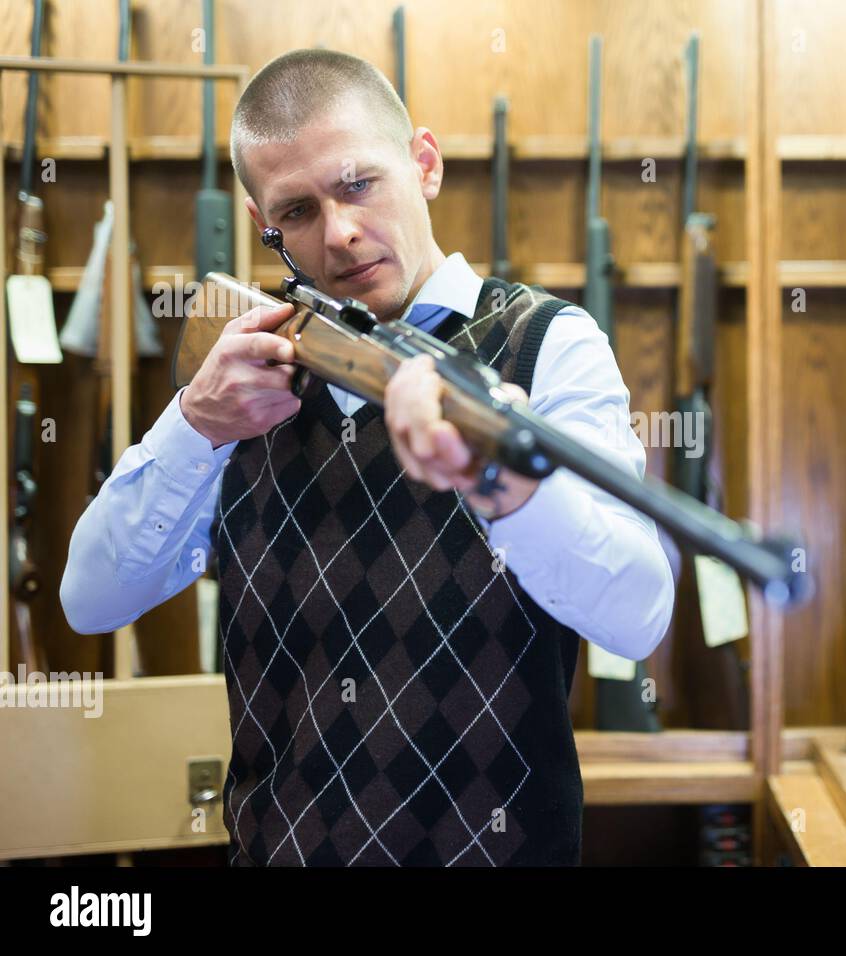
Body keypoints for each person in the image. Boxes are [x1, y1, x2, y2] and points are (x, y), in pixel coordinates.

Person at [60, 49, 674, 866]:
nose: (340, 234)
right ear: (262, 225)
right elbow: (90, 598)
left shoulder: (544, 345)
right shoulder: (244, 369)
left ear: (423, 163)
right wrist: (195, 424)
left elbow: (638, 617)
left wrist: (508, 487)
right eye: (300, 212)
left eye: (358, 185)